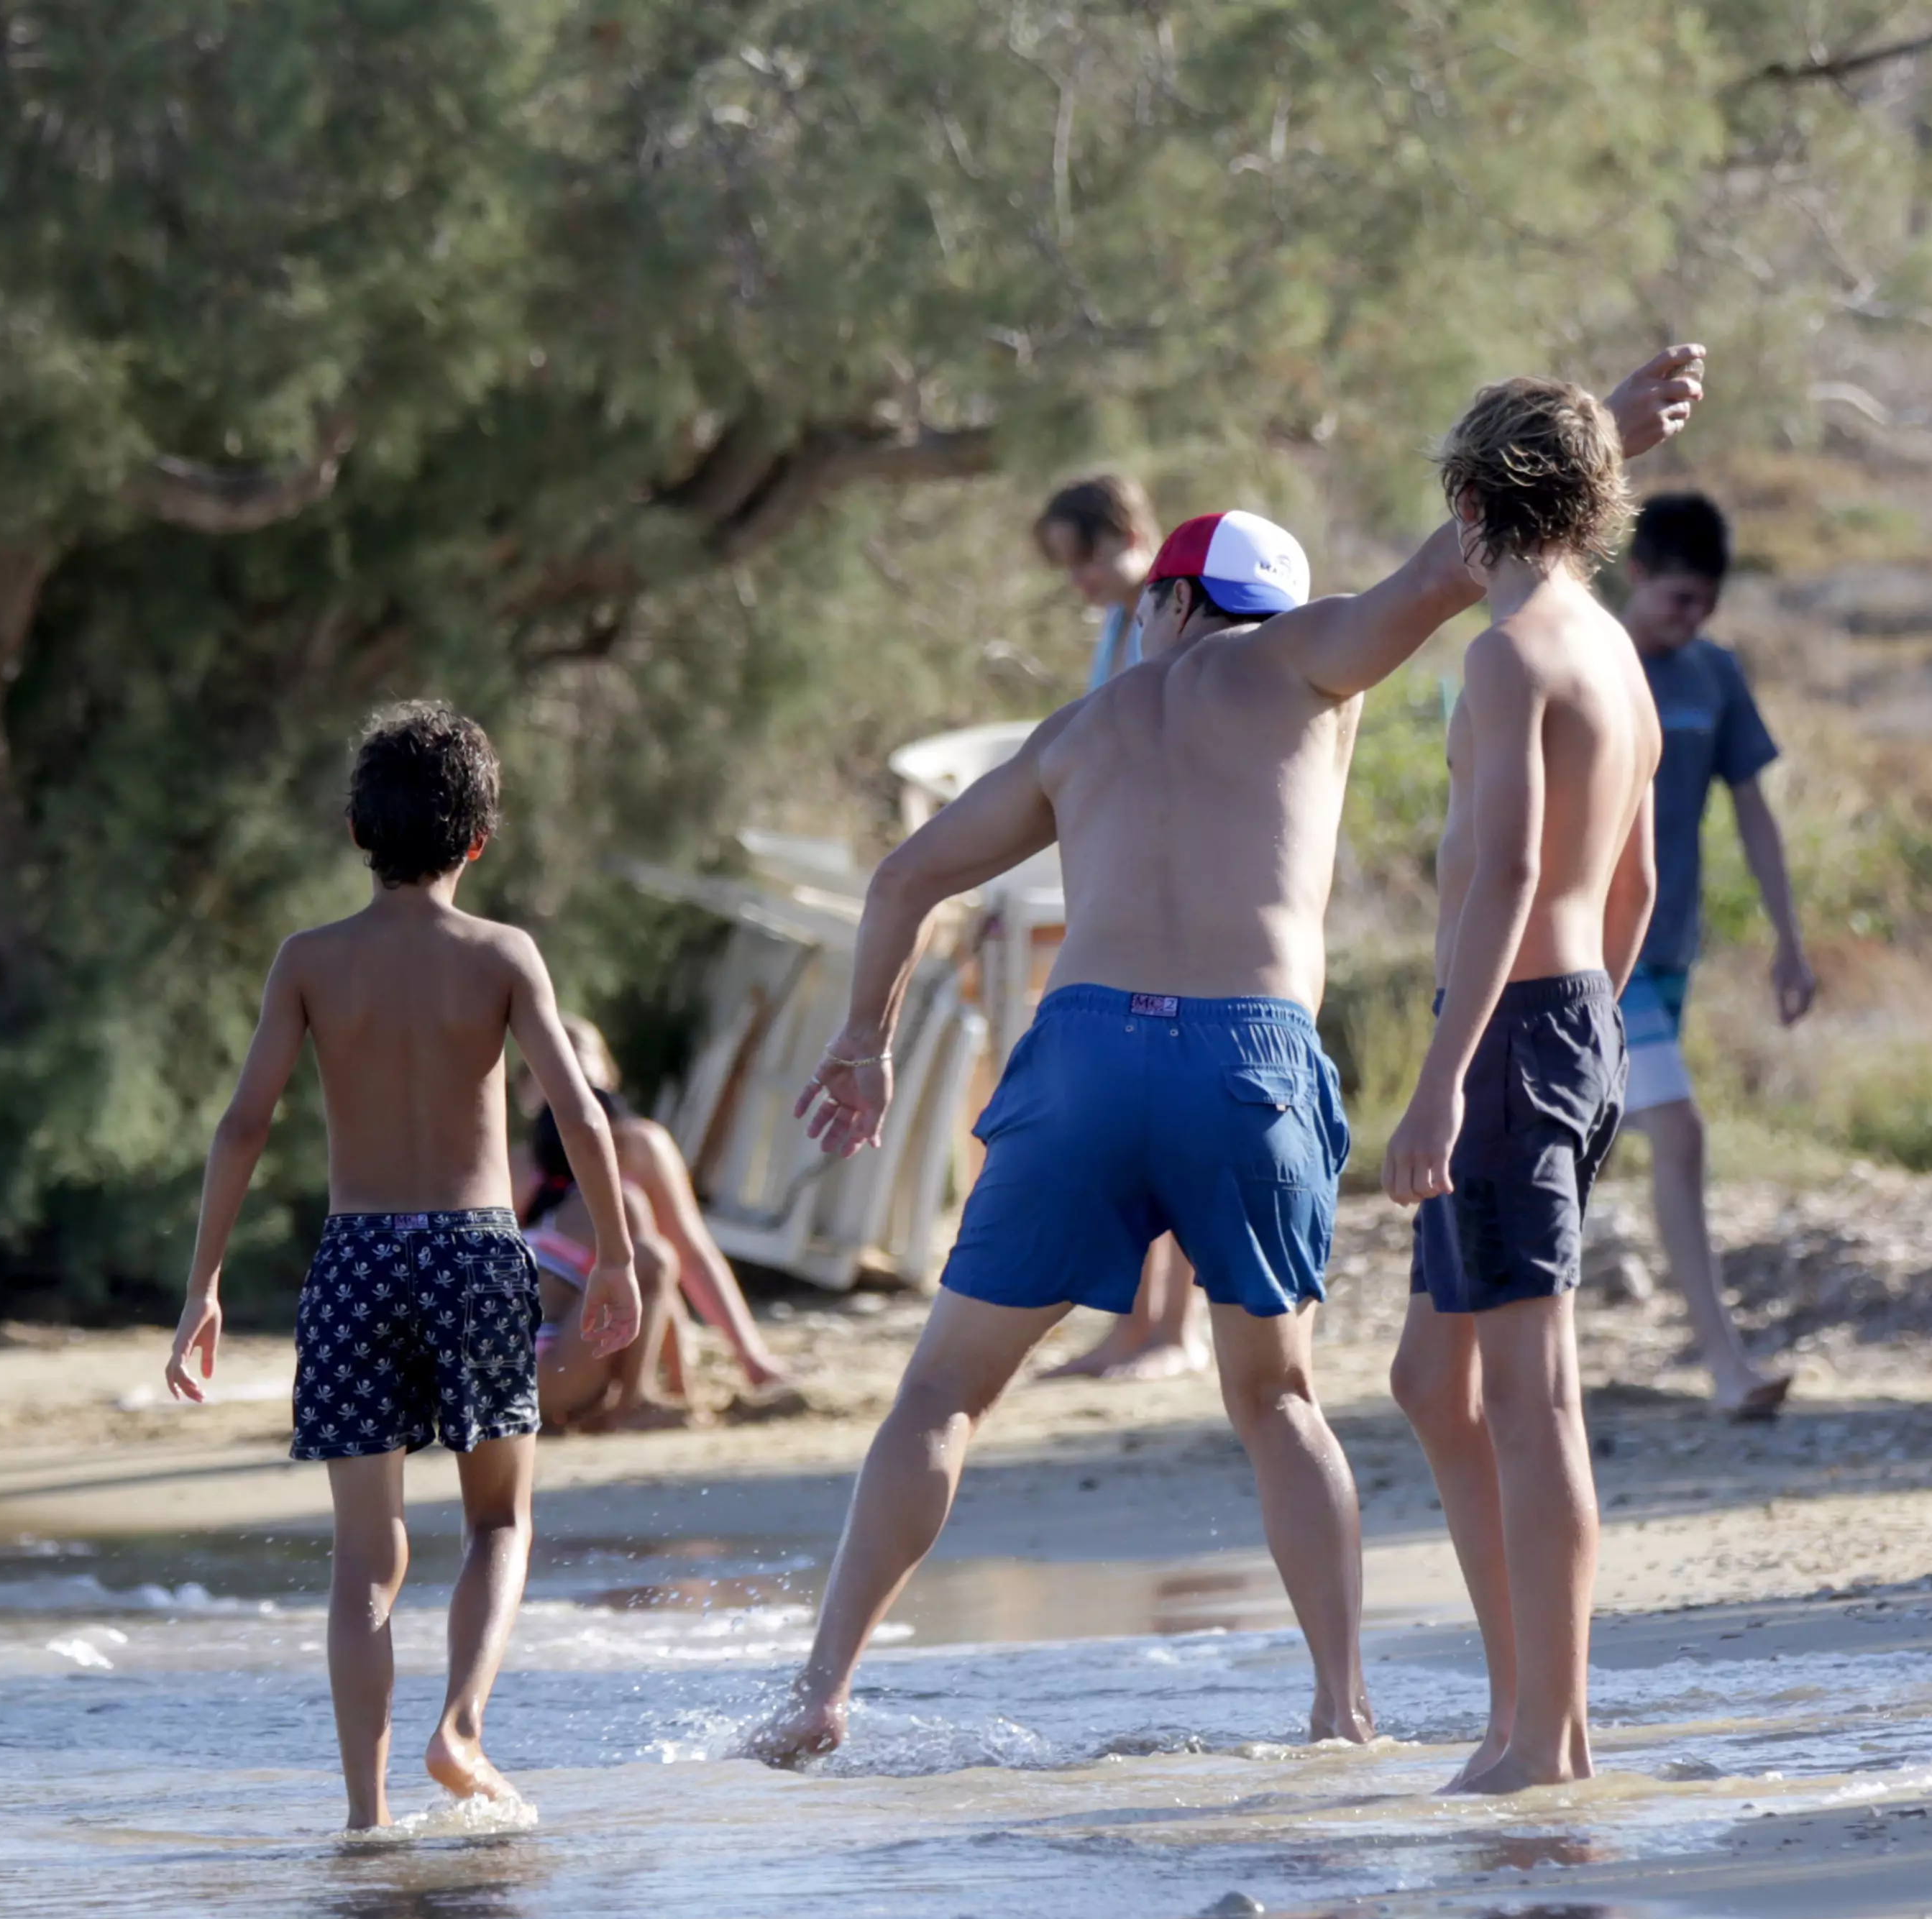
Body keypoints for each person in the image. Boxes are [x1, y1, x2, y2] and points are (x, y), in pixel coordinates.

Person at [745, 347, 1706, 1767]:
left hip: (1080, 1060)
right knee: (1278, 1398)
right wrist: (1598, 444)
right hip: (1248, 1064)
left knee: (942, 1390)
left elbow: (901, 876)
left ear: (1168, 600)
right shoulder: (1314, 668)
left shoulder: (1080, 728)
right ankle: (1342, 1702)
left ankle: (823, 1686)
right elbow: (1460, 569)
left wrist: (864, 1038)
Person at [164, 703, 642, 1831]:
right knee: (498, 1522)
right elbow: (579, 1113)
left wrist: (204, 1286)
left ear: (352, 832)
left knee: (364, 1563)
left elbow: (242, 1125)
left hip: (355, 1258)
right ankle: (460, 1727)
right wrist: (616, 1255)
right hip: (476, 1252)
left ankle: (367, 1820)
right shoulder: (503, 955)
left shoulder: (309, 962)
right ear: (480, 839)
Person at [1382, 377, 1671, 1797]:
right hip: (1574, 1021)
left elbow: (1503, 873)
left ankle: (1549, 1740)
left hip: (1505, 1033)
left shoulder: (1512, 657)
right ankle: (1518, 1710)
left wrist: (1445, 1077)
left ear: (1474, 499)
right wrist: (1591, 1025)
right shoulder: (1613, 650)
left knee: (1529, 1391)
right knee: (1433, 1377)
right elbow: (1638, 880)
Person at [1617, 494, 1812, 1418]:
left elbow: (1753, 811)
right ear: (1637, 573)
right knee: (1681, 1132)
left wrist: (1788, 940)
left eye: (1706, 604)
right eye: (1679, 599)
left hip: (1670, 948)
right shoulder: (1587, 662)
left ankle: (1488, 1356)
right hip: (1589, 954)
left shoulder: (1714, 675)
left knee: (1587, 1145)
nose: (1691, 619)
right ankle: (1726, 1364)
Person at [1032, 476, 1209, 1383]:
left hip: (1179, 918)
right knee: (1129, 1128)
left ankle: (1174, 1330)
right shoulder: (1121, 631)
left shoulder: (1180, 627)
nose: (1082, 581)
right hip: (1126, 906)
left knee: (1169, 1123)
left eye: (1088, 557)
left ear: (1132, 536)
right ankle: (1133, 1326)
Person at [518, 1018, 797, 1430]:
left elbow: (692, 1257)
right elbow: (675, 1261)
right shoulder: (597, 1162)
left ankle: (638, 1393)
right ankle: (642, 1398)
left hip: (527, 1367)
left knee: (637, 1267)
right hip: (560, 1358)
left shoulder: (526, 1166)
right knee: (647, 1260)